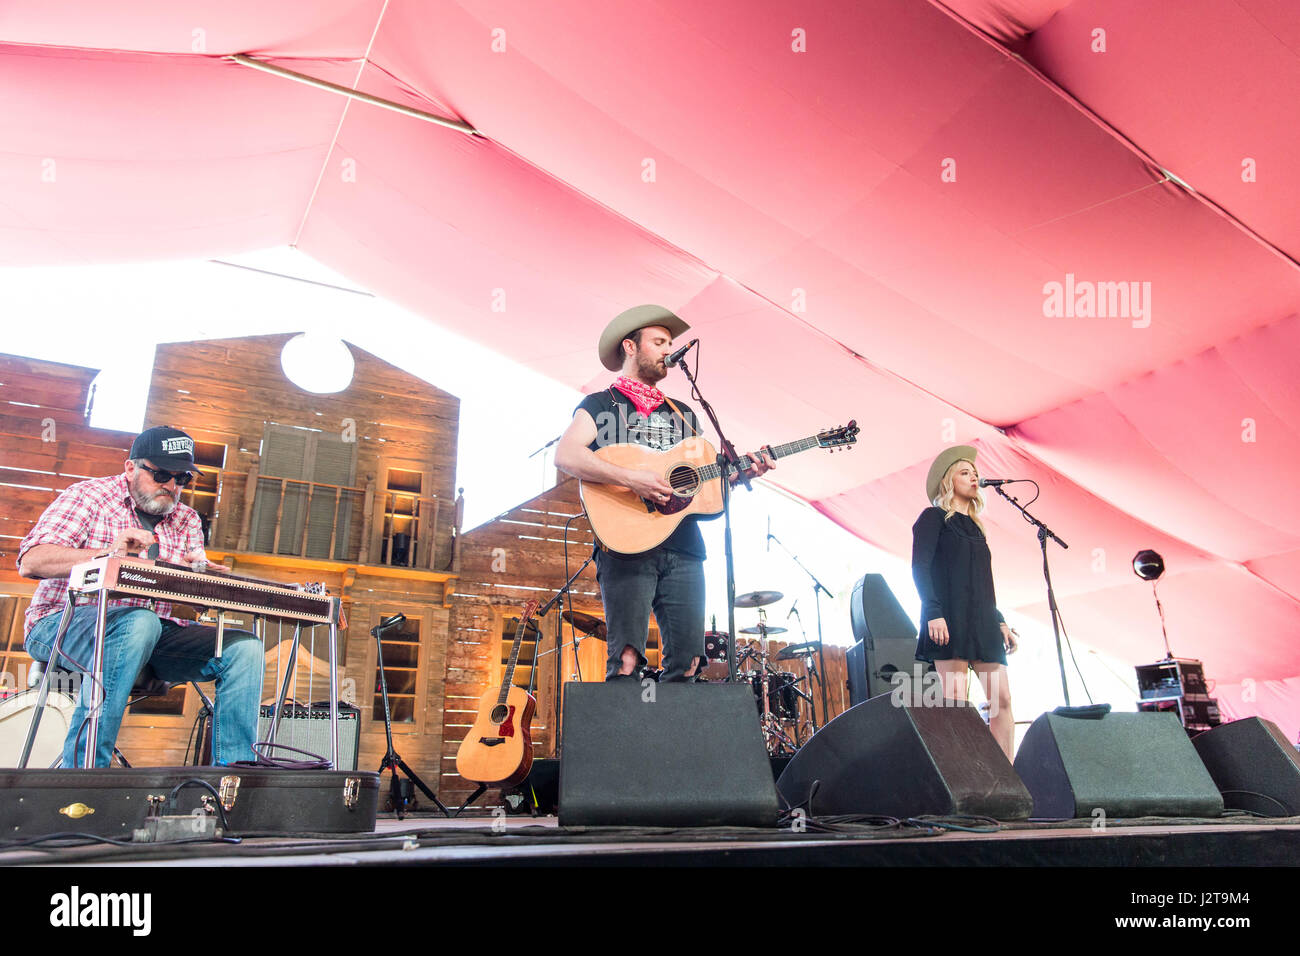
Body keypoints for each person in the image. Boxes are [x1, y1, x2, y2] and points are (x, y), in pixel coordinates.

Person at [18, 425, 263, 768]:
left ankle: (234, 779)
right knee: (139, 623)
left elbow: (193, 604)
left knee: (244, 648)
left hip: (150, 631)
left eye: (182, 479)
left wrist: (199, 582)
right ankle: (83, 774)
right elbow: (32, 562)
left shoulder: (188, 519)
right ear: (130, 467)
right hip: (59, 624)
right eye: (161, 474)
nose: (172, 486)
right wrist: (109, 555)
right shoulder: (89, 497)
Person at [555, 305, 774, 682]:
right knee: (626, 662)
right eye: (658, 342)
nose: (667, 350)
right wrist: (632, 478)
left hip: (685, 548)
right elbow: (567, 454)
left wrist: (736, 475)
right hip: (626, 548)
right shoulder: (600, 405)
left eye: (669, 343)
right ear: (630, 347)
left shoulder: (684, 413)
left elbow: (699, 482)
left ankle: (674, 741)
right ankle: (629, 740)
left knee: (689, 662)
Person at [911, 445, 1019, 759]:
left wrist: (1000, 621)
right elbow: (920, 567)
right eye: (964, 472)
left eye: (974, 473)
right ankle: (964, 780)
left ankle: (1006, 780)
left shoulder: (976, 527)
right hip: (949, 617)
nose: (973, 478)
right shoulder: (933, 518)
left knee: (1002, 701)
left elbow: (984, 582)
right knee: (957, 701)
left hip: (983, 621)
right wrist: (932, 611)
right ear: (948, 481)